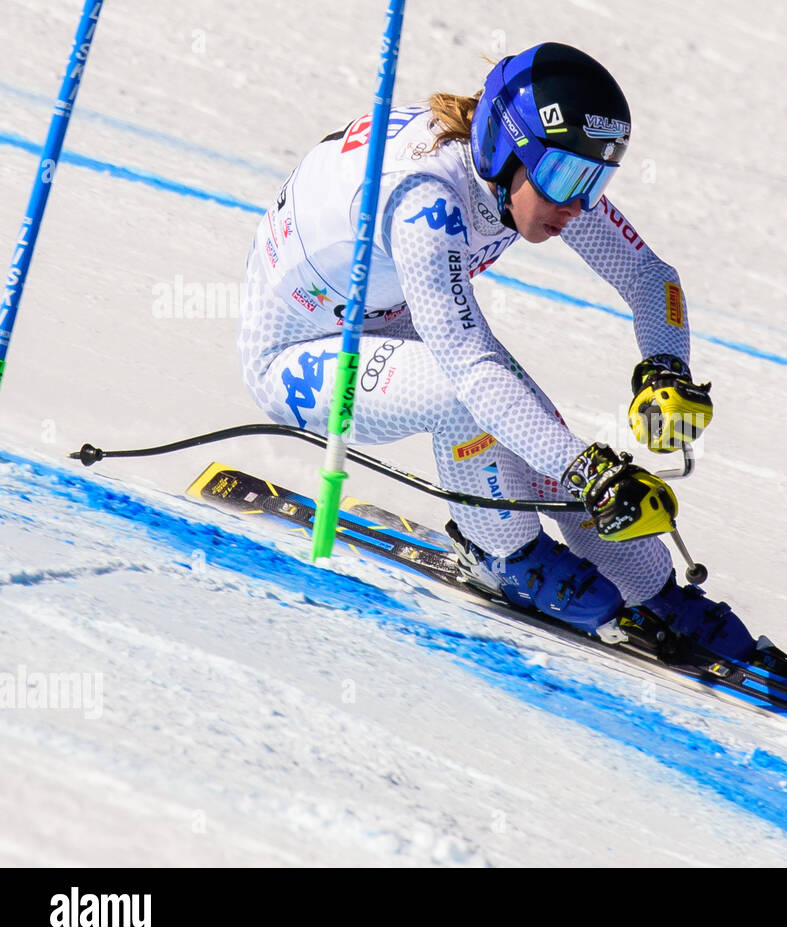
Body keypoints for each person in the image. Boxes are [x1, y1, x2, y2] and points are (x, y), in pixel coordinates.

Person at [236, 42, 756, 661]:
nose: (576, 203)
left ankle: (655, 590)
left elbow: (650, 276)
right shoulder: (427, 201)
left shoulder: (531, 176)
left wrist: (665, 368)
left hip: (399, 322)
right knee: (471, 400)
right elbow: (470, 371)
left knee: (544, 446)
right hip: (305, 350)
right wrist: (590, 472)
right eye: (567, 177)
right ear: (510, 149)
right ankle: (502, 554)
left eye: (596, 179)